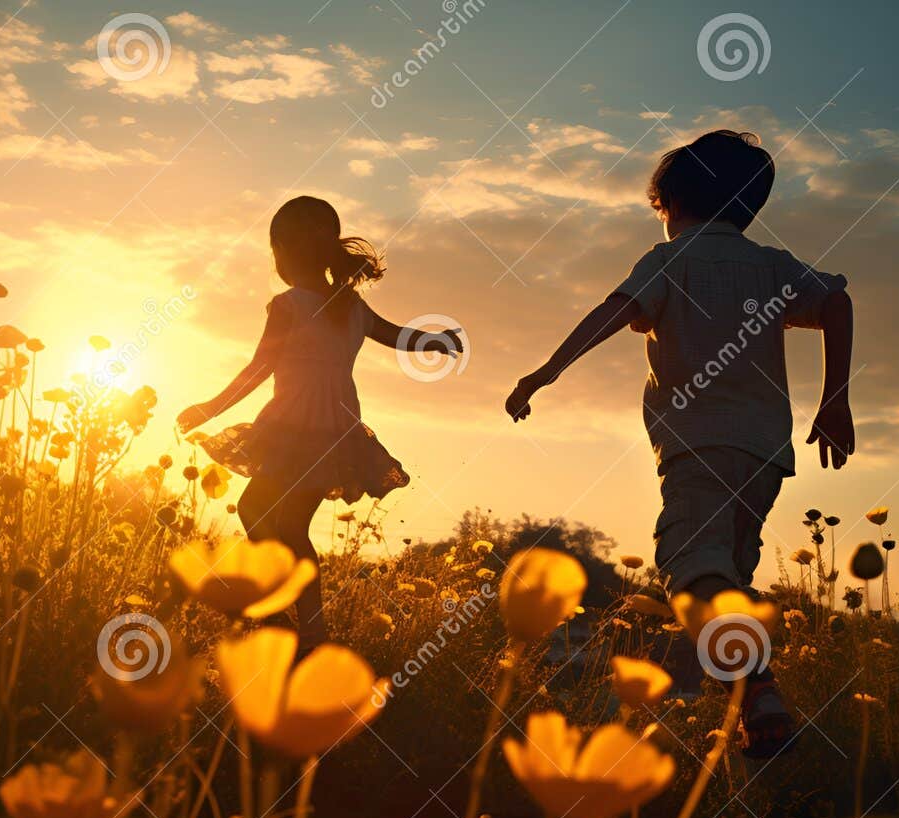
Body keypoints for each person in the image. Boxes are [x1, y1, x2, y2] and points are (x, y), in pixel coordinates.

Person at [504, 130, 855, 758]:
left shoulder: (669, 261)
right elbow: (836, 301)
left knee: (686, 570)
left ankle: (758, 685)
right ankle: (751, 726)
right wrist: (835, 399)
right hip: (765, 454)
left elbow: (610, 313)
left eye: (660, 209)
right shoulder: (772, 266)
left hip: (698, 449)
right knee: (728, 576)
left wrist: (545, 373)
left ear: (671, 203)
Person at [178, 195, 464, 651]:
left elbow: (257, 370)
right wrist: (434, 340)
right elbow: (397, 336)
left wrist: (208, 409)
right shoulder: (352, 308)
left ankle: (276, 617)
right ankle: (312, 631)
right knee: (294, 531)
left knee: (257, 512)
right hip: (336, 434)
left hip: (290, 431)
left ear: (285, 253)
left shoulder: (288, 305)